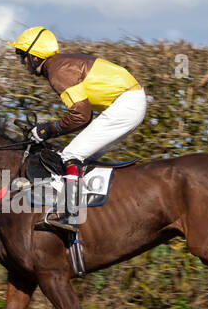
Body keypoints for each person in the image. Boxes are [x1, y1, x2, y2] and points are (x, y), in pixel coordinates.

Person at [9, 26, 147, 231]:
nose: (22, 62)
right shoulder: (59, 65)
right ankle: (92, 216)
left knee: (70, 155)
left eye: (22, 55)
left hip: (127, 104)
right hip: (130, 102)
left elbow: (81, 116)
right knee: (81, 158)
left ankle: (69, 215)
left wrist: (47, 130)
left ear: (35, 56)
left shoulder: (57, 70)